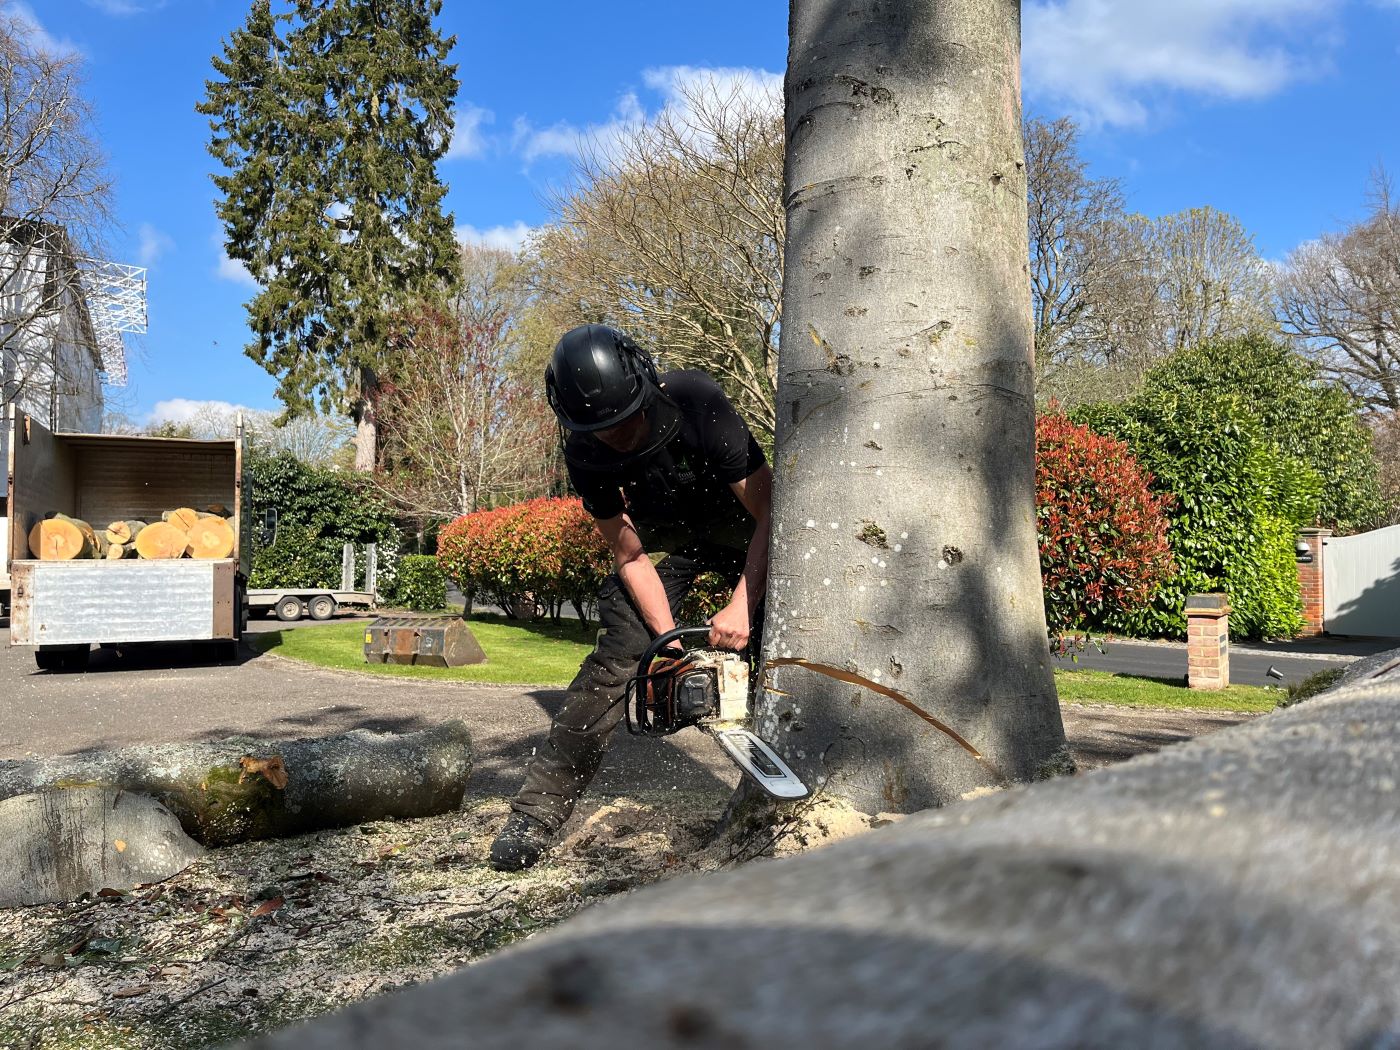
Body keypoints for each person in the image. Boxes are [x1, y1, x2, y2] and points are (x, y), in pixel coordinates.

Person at [489, 323, 772, 871]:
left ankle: (776, 792)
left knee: (776, 635)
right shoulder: (584, 453)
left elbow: (770, 509)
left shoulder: (695, 402)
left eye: (624, 419)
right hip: (670, 550)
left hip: (749, 536)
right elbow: (629, 556)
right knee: (619, 655)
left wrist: (741, 605)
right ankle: (535, 813)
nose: (615, 435)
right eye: (600, 427)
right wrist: (666, 644)